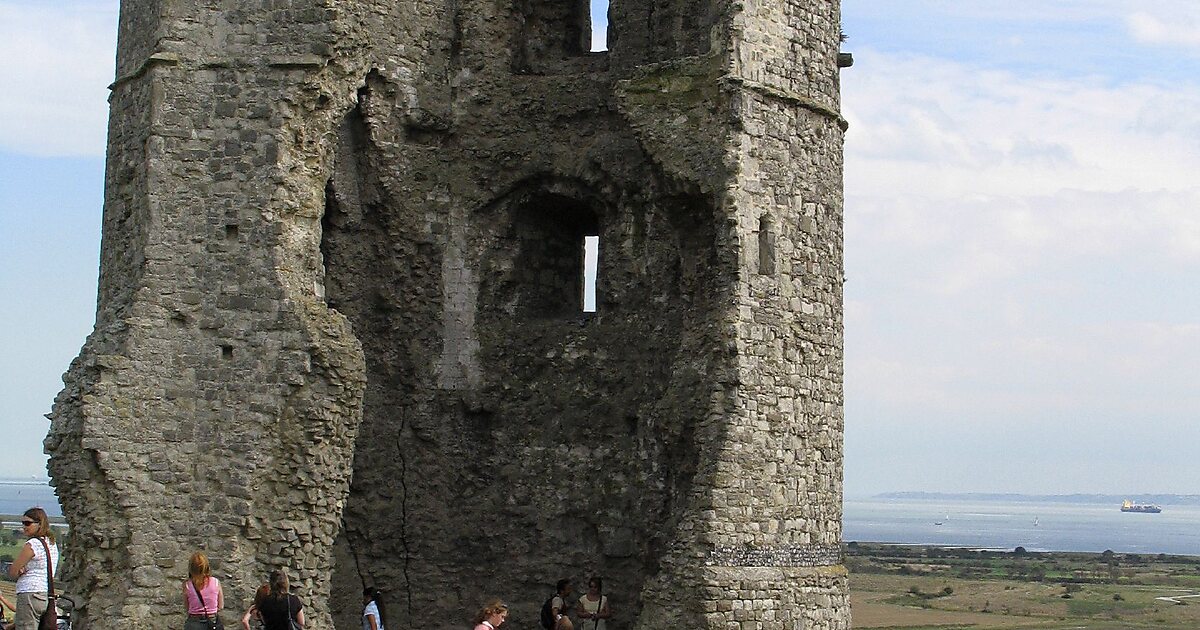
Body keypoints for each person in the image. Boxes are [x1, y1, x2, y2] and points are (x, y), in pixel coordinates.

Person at [7, 507, 59, 630]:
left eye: (27, 523)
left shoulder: (32, 544)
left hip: (29, 593)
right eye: (23, 523)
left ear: (39, 524)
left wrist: (19, 572)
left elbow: (13, 571)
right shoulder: (51, 543)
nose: (24, 527)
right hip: (44, 594)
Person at [182, 551, 224, 630]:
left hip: (194, 623)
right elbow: (220, 606)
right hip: (212, 622)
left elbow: (187, 607)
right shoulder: (215, 582)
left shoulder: (187, 585)